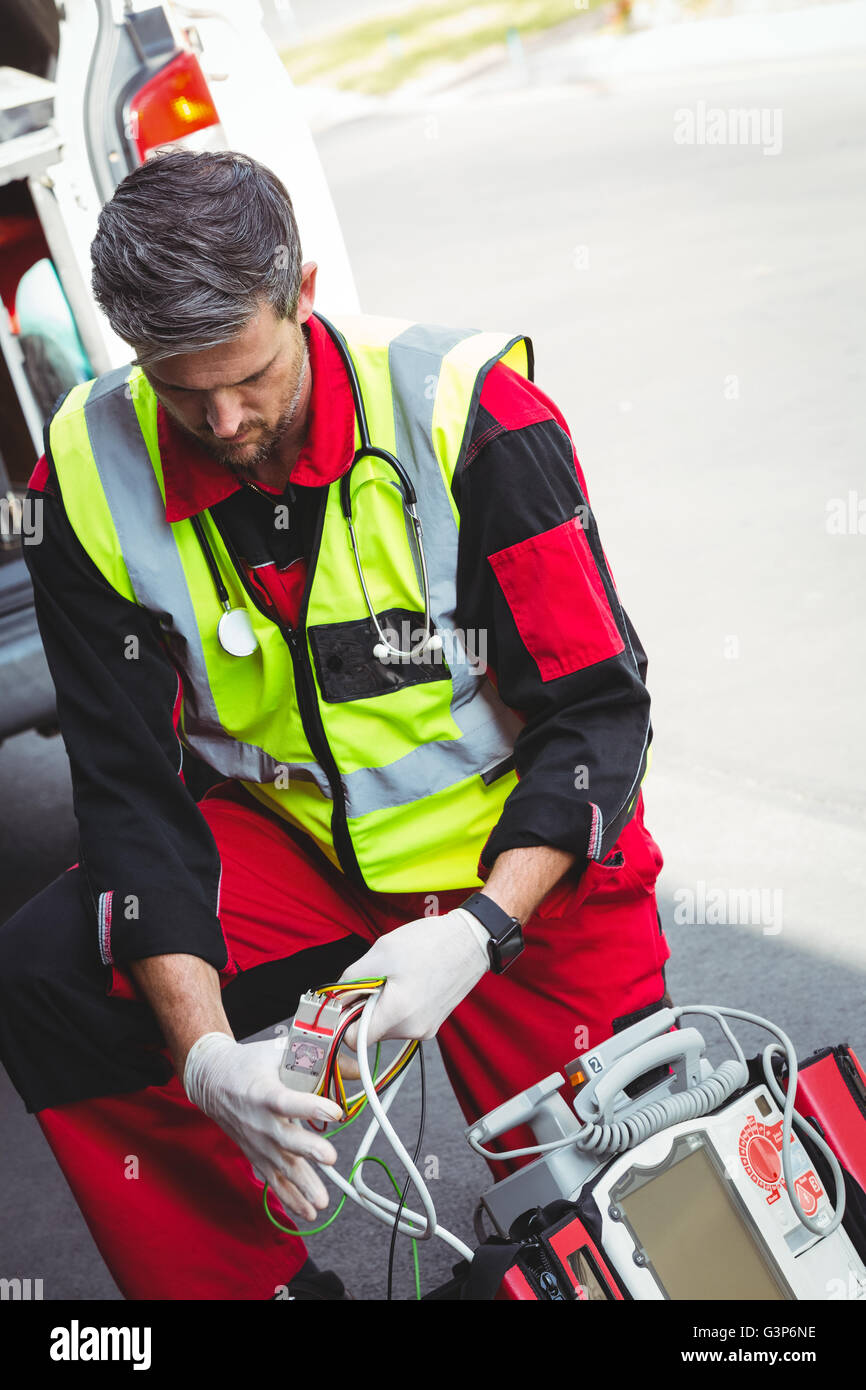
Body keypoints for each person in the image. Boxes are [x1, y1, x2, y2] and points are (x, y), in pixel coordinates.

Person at [0, 148, 670, 1300]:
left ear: (300, 292)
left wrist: (476, 932)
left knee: (630, 1228)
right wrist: (205, 1057)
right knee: (52, 971)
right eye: (178, 386)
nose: (221, 419)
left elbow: (599, 716)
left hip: (521, 871)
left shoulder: (472, 416)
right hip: (294, 852)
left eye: (249, 375)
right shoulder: (81, 475)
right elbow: (129, 792)